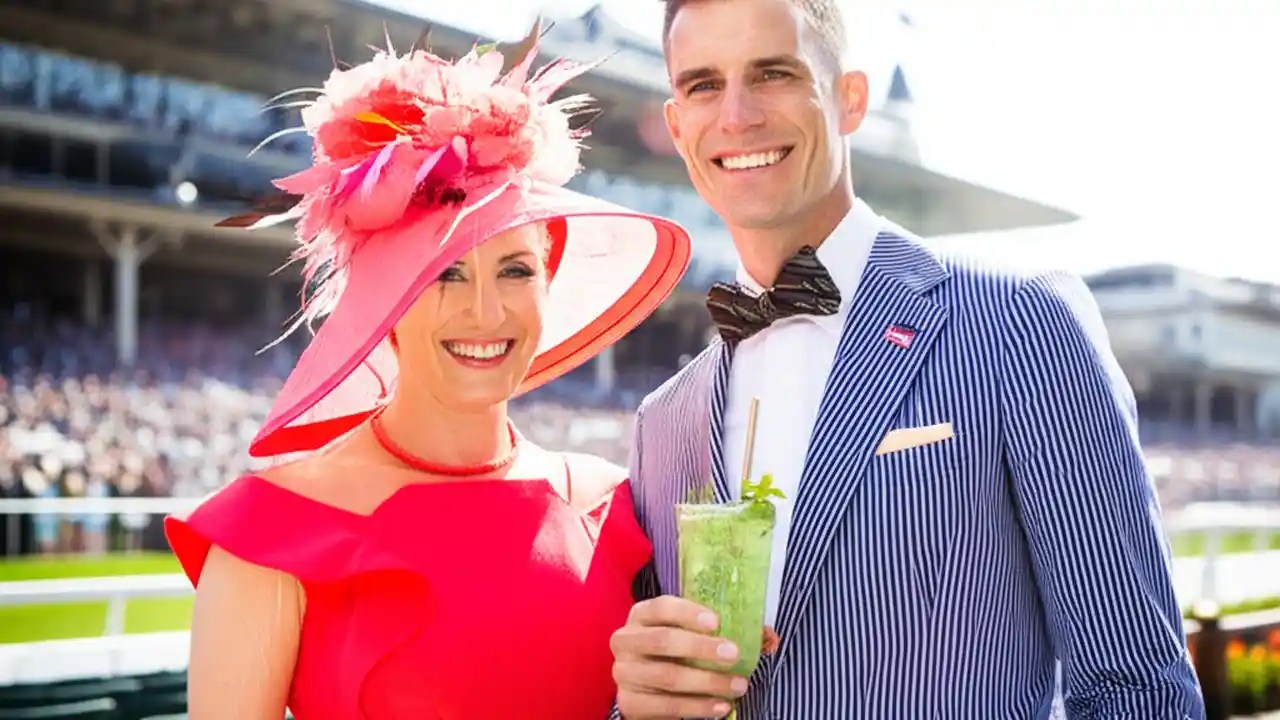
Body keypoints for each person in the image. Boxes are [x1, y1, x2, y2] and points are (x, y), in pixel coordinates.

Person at [608, 1, 1204, 718]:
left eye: (773, 73)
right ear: (677, 126)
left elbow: (1137, 688)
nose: (736, 115)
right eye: (704, 84)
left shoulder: (1018, 325)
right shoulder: (662, 422)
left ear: (850, 99)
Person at [164, 24, 691, 720]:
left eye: (515, 270)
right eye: (443, 272)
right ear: (383, 295)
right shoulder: (274, 532)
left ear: (548, 281)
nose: (485, 310)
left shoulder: (615, 507)